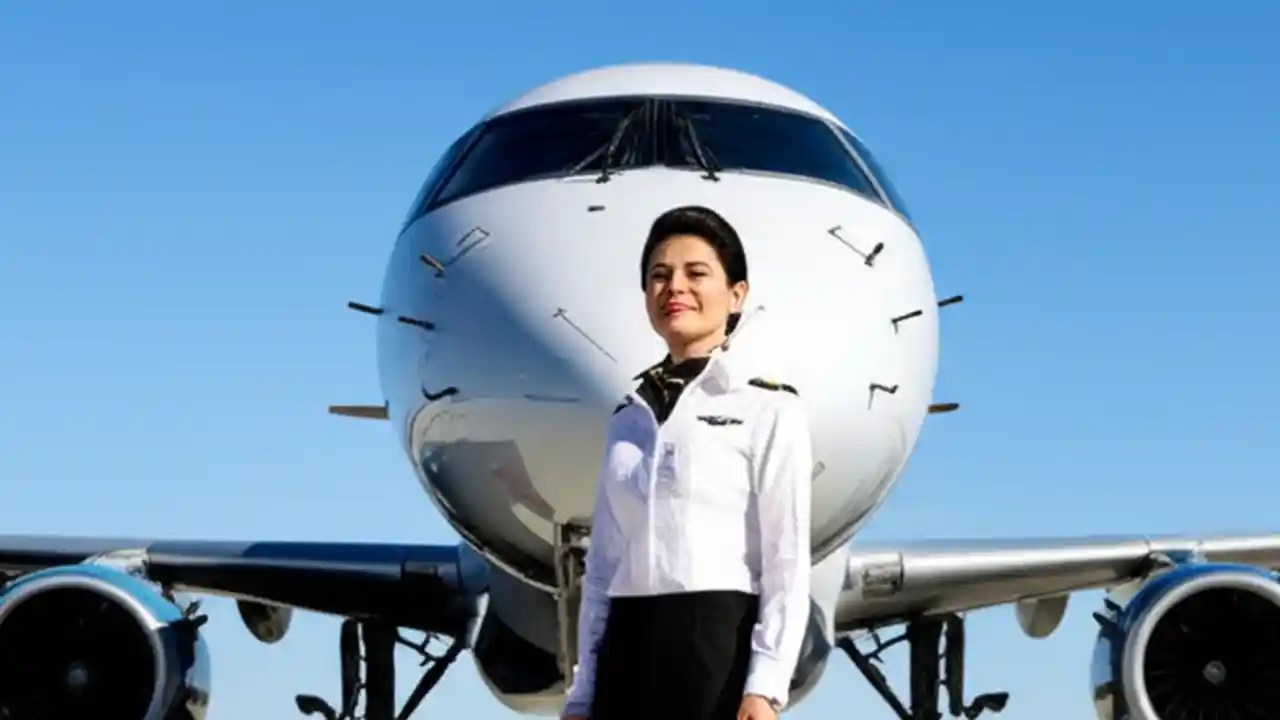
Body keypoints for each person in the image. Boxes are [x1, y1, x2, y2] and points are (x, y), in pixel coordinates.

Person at [562, 205, 813, 720]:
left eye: (697, 273)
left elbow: (786, 559)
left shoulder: (768, 409)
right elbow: (604, 568)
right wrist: (583, 691)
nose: (675, 286)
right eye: (660, 275)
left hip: (716, 648)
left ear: (736, 294)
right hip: (625, 653)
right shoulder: (627, 419)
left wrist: (765, 687)